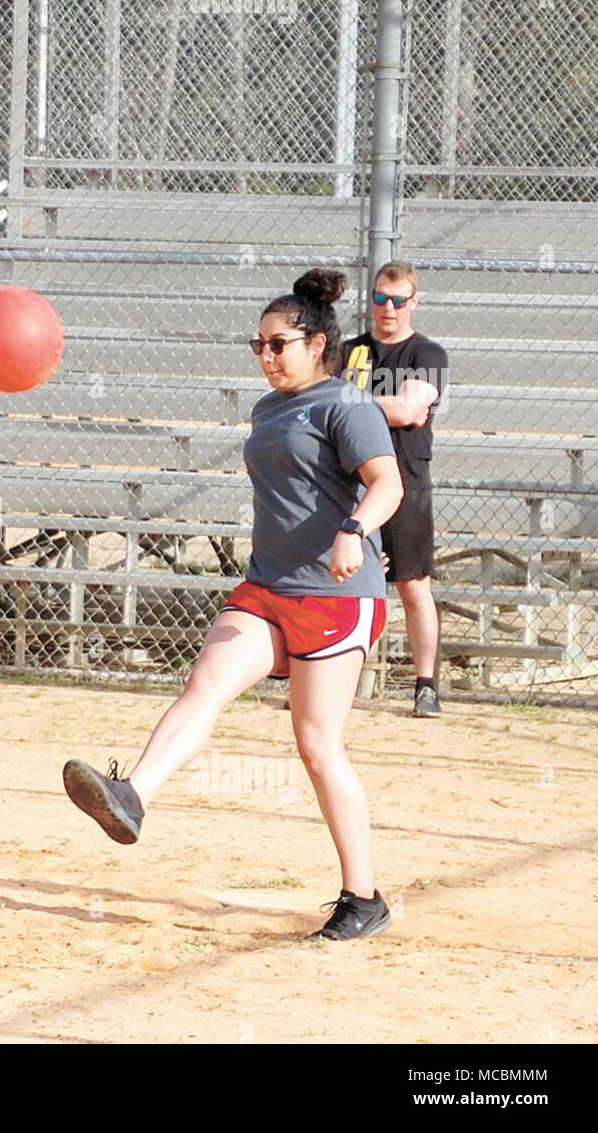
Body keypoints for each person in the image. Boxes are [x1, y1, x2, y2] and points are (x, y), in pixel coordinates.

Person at [63, 269, 404, 941]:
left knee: (316, 744)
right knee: (207, 684)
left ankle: (363, 897)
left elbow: (387, 484)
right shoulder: (269, 408)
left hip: (336, 594)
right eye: (259, 345)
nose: (267, 355)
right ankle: (133, 794)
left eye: (280, 343)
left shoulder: (347, 405)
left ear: (320, 343)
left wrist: (354, 530)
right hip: (268, 586)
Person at [342, 261, 448, 718]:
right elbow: (324, 401)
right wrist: (382, 404)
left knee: (412, 584)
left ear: (414, 302)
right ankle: (333, 683)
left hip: (405, 480)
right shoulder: (348, 351)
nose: (388, 308)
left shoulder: (428, 354)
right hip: (350, 482)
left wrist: (350, 400)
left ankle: (426, 685)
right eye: (380, 298)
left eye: (399, 300)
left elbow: (408, 412)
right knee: (344, 583)